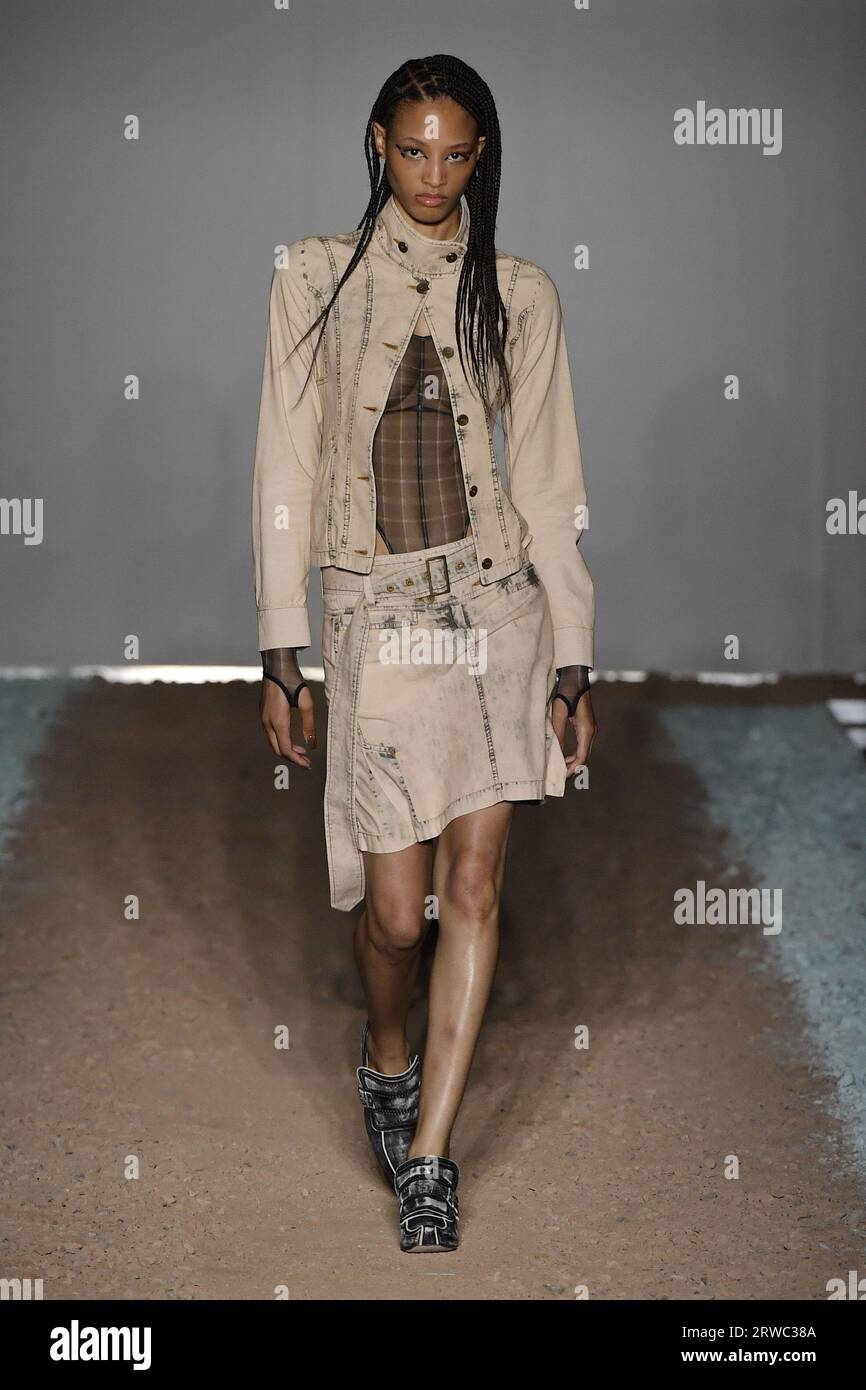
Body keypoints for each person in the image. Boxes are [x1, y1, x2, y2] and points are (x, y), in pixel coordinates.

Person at [251, 54, 596, 1253]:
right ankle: (384, 1051)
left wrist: (574, 660)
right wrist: (278, 646)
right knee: (398, 914)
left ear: (481, 156)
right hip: (377, 619)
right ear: (375, 145)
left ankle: (431, 1157)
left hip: (497, 612)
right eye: (413, 150)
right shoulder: (311, 279)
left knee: (473, 891)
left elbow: (548, 487)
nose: (433, 174)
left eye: (456, 153)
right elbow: (284, 469)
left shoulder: (519, 293)